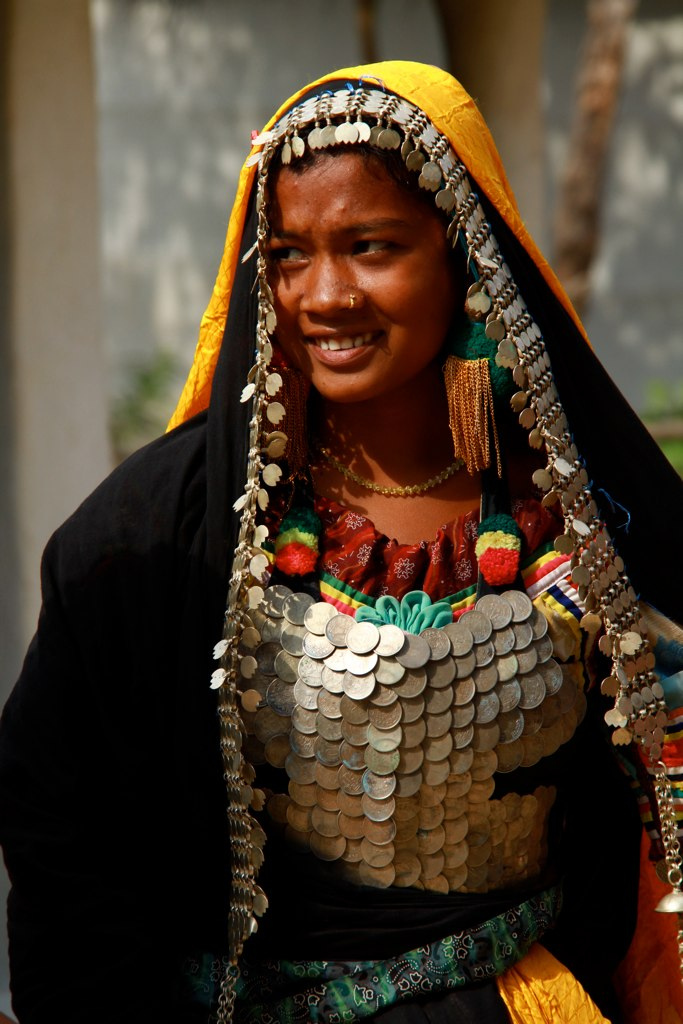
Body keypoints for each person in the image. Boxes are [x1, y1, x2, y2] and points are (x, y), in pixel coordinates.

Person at [1, 61, 682, 1024]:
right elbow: (63, 831)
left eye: (370, 246)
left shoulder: (583, 511)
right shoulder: (157, 535)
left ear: (461, 255)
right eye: (288, 254)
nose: (324, 294)